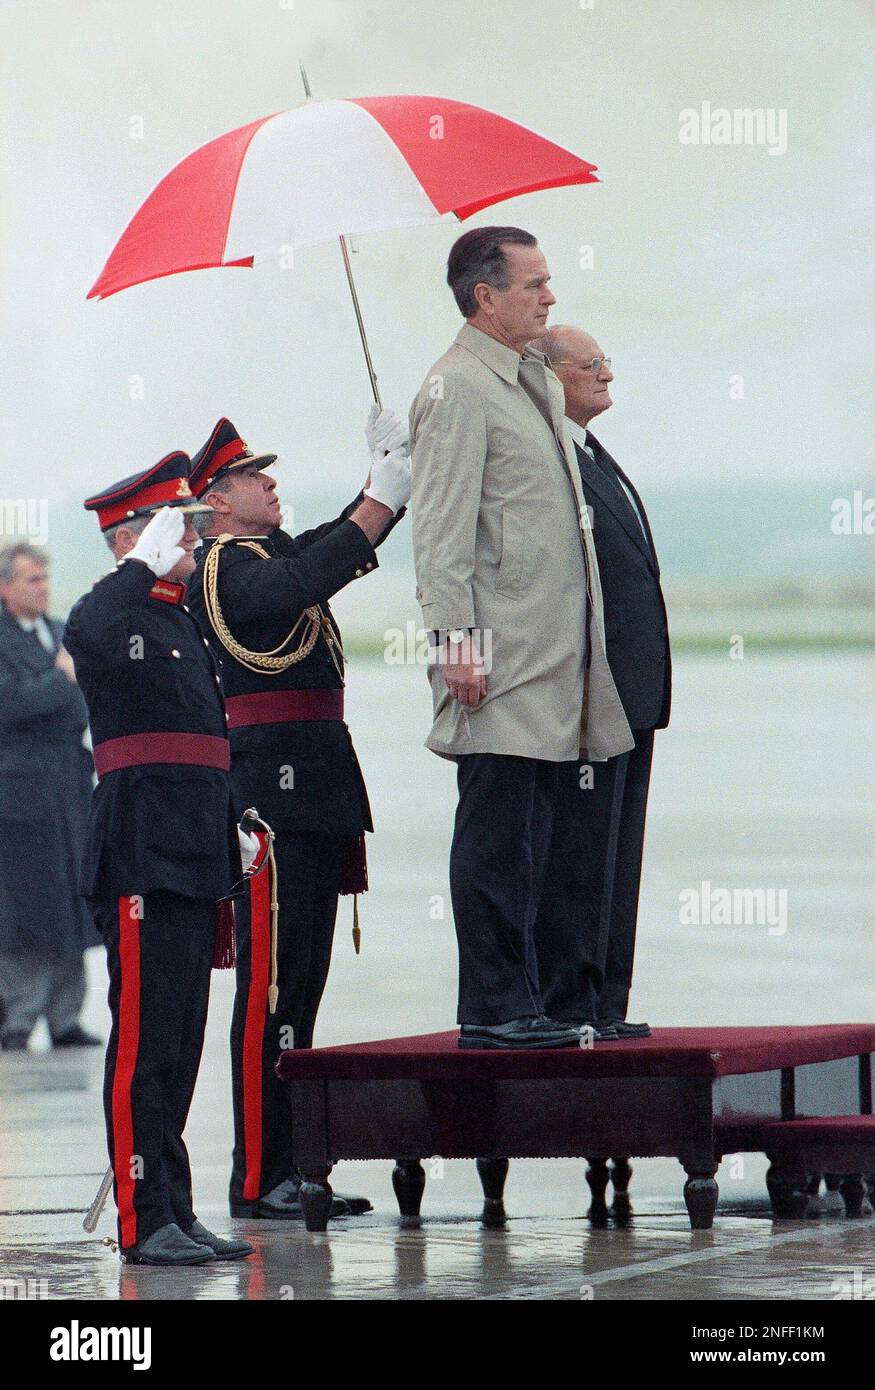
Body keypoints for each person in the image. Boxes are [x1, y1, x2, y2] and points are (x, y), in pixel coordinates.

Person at [409, 226, 634, 1051]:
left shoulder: (525, 382)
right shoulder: (457, 387)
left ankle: (539, 999)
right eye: (534, 284)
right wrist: (455, 641)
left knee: (540, 837)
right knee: (497, 833)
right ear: (484, 296)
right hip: (497, 657)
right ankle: (495, 1006)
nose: (548, 296)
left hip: (554, 658)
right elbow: (441, 529)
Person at [186, 411, 410, 1219]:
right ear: (214, 500)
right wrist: (377, 499)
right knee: (269, 991)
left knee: (303, 988)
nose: (271, 484)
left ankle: (290, 1165)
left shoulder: (267, 552)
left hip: (310, 793)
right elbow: (302, 580)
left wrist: (384, 478)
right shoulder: (220, 568)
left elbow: (329, 548)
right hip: (267, 806)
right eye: (255, 477)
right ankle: (256, 1177)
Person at [64, 452, 254, 1265]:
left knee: (178, 1042)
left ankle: (176, 1207)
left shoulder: (176, 617)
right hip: (142, 853)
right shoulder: (116, 613)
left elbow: (203, 740)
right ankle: (143, 1218)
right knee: (142, 1043)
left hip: (192, 850)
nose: (195, 543)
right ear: (135, 537)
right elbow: (87, 631)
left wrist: (229, 821)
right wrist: (137, 564)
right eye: (181, 530)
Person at [528, 325, 672, 1037]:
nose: (606, 373)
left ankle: (606, 1007)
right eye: (590, 364)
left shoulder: (591, 453)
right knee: (579, 859)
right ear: (548, 378)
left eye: (606, 360)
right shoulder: (548, 456)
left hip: (633, 694)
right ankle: (572, 1008)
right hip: (588, 690)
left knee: (617, 863)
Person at [0, 542, 99, 1051]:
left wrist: (58, 690)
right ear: (4, 587)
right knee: (25, 909)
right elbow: (10, 705)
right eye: (30, 579)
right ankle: (17, 1018)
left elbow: (83, 705)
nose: (42, 587)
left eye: (44, 577)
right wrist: (59, 679)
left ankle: (65, 1016)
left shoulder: (61, 632)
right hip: (18, 796)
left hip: (69, 790)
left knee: (72, 902)